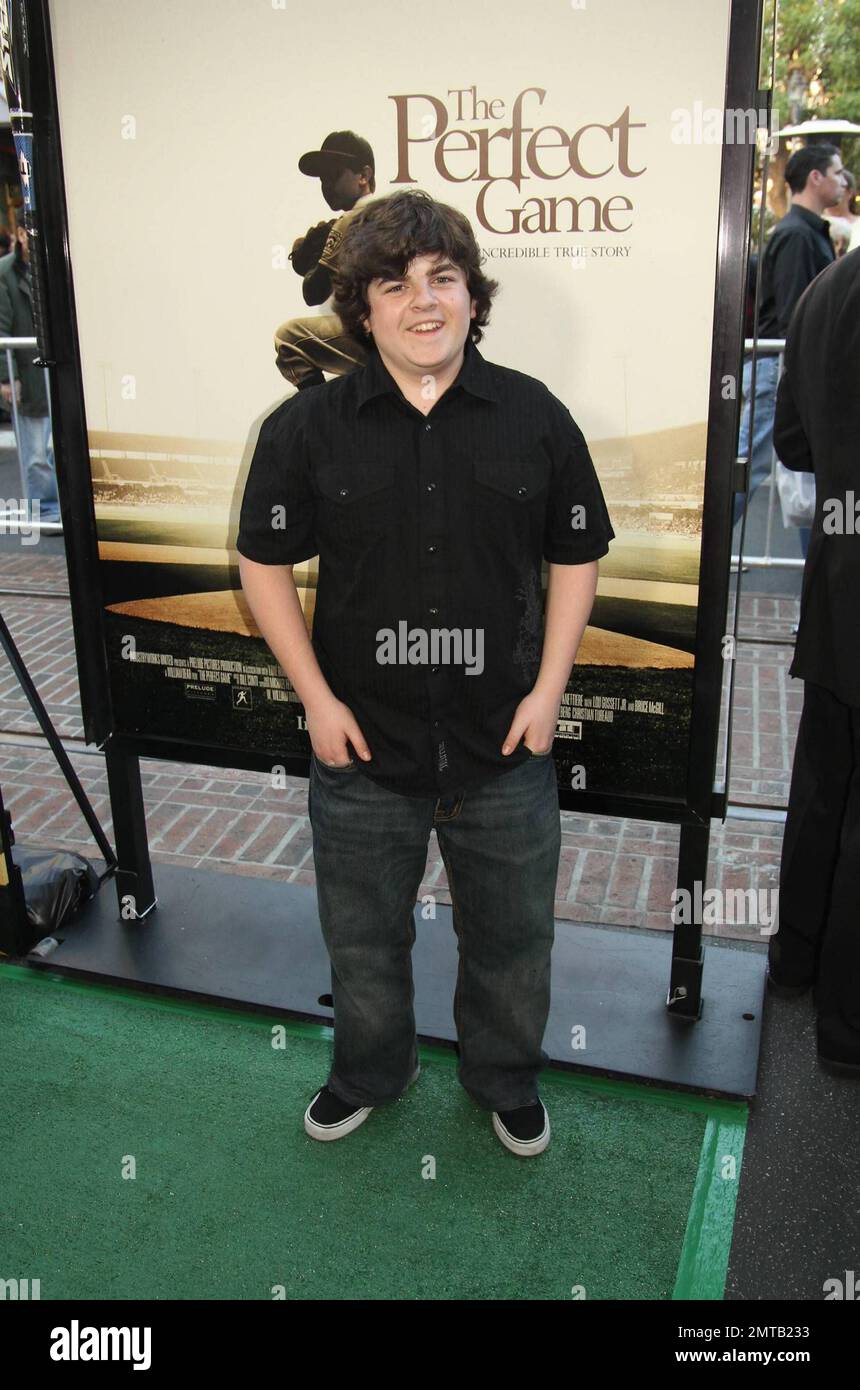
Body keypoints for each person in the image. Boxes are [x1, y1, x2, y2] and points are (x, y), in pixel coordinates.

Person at [238, 190, 614, 1155]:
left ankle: (503, 1078)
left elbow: (577, 553)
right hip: (363, 746)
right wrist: (315, 702)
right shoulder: (306, 429)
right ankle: (372, 1068)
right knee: (364, 943)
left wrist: (548, 693)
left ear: (472, 296)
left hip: (504, 742)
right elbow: (261, 563)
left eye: (442, 279)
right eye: (394, 285)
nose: (423, 302)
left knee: (513, 944)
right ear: (362, 308)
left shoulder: (535, 416)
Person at [766, 245, 860, 1075]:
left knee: (826, 783)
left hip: (837, 586)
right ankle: (849, 1024)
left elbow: (792, 440)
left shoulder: (827, 287)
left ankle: (796, 958)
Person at [735, 144, 846, 554]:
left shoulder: (802, 232)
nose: (843, 181)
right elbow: (795, 317)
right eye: (836, 172)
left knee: (766, 470)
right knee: (748, 469)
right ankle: (709, 550)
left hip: (779, 370)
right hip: (776, 370)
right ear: (815, 177)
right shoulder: (798, 235)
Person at [274, 131, 379, 390]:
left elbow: (313, 292)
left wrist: (315, 257)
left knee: (288, 338)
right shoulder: (395, 212)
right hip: (408, 333)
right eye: (322, 180)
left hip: (377, 340)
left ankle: (323, 410)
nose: (326, 187)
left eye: (334, 176)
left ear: (363, 176)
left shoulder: (350, 221)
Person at [0, 218, 60, 522]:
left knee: (51, 450)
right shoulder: (5, 274)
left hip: (50, 377)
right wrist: (4, 379)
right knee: (36, 452)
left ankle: (53, 509)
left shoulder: (49, 268)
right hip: (28, 376)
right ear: (21, 235)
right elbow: (1, 329)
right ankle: (44, 512)